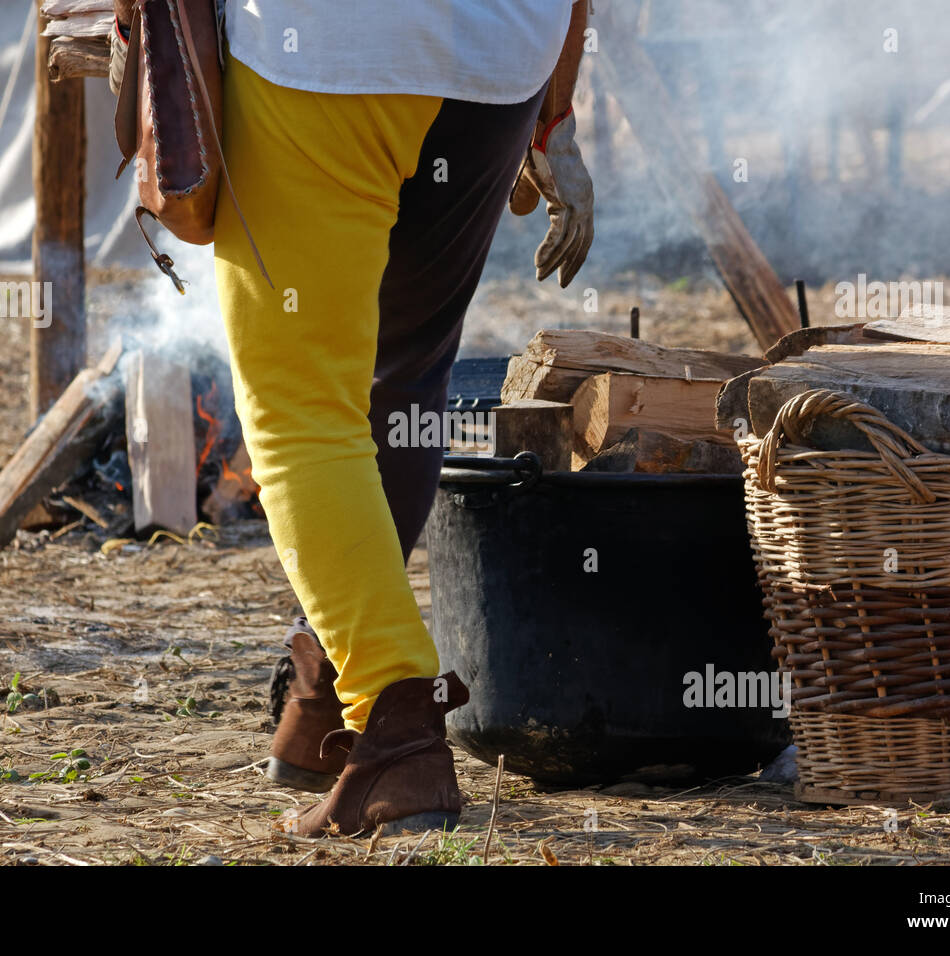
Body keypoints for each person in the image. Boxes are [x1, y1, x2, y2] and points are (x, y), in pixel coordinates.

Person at [113, 0, 593, 836]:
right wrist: (556, 112)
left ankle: (397, 732)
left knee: (302, 410)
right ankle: (320, 705)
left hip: (328, 50)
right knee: (403, 380)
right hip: (502, 58)